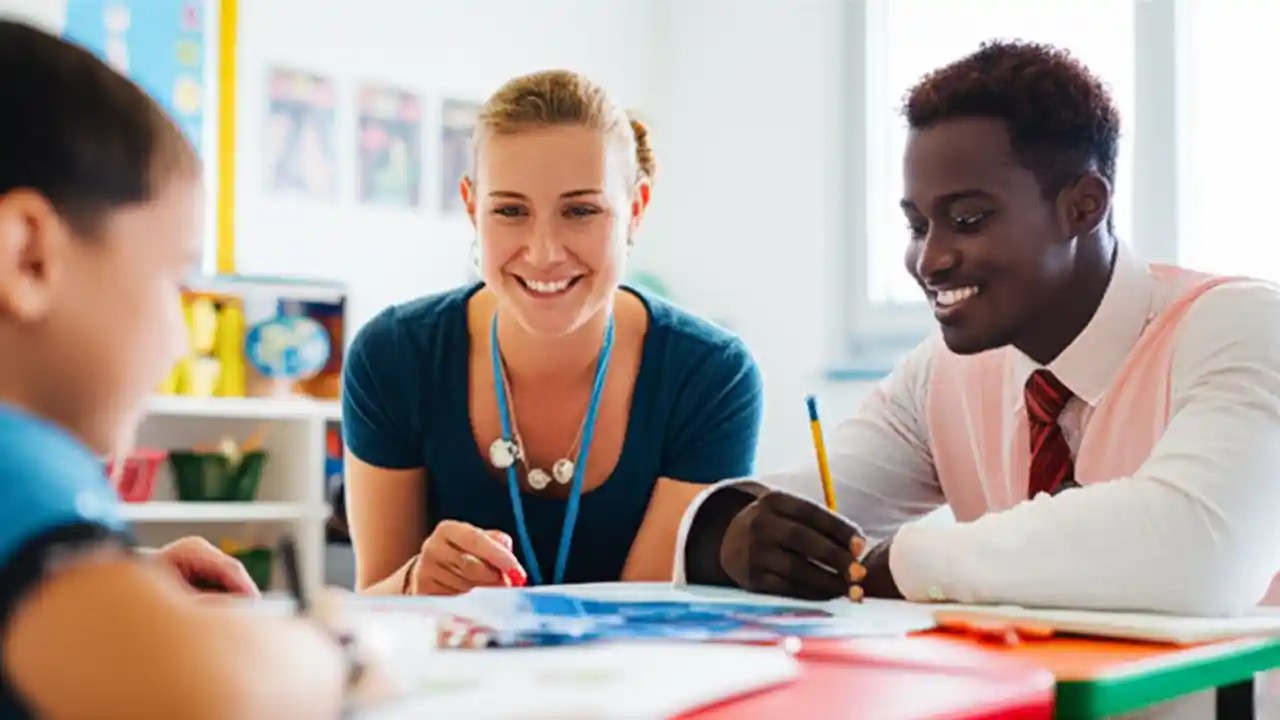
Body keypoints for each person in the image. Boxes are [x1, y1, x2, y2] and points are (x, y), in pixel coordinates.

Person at [678, 39, 1280, 621]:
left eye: (968, 219)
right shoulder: (945, 371)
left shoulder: (1242, 327)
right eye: (918, 225)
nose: (930, 259)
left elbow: (1198, 551)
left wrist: (904, 564)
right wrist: (733, 538)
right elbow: (813, 509)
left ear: (1083, 206)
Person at [0, 20, 384, 718]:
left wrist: (126, 583)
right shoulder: (16, 458)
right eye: (173, 282)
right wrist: (328, 651)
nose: (179, 343)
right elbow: (211, 692)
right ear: (27, 258)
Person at [343, 69, 763, 595]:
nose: (543, 251)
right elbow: (372, 608)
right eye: (510, 211)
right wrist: (411, 585)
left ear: (635, 209)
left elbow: (650, 622)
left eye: (581, 211)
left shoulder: (710, 376)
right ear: (473, 208)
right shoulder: (394, 357)